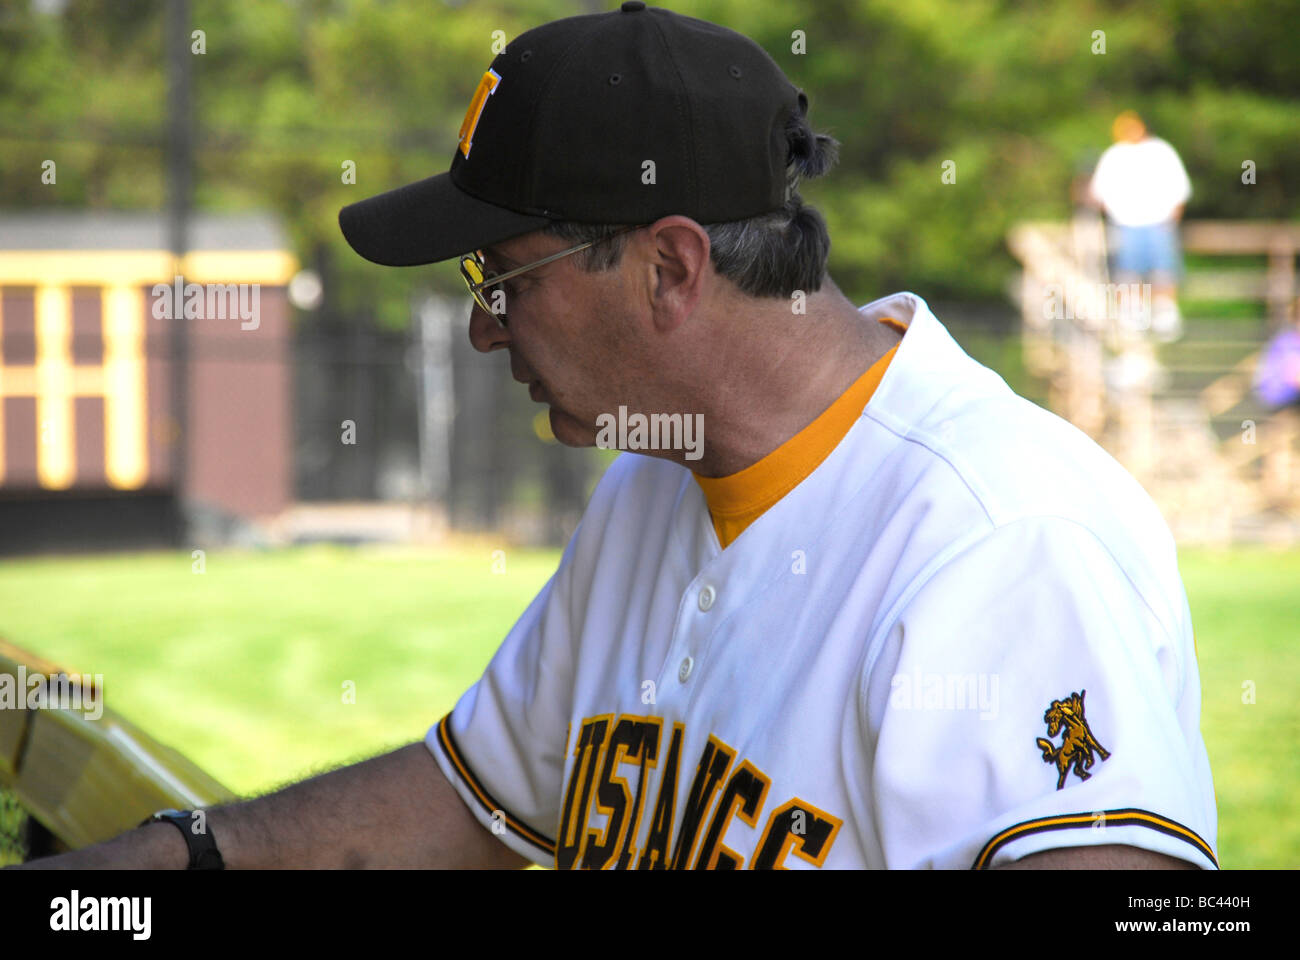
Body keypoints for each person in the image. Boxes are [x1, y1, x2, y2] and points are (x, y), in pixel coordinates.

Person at [13, 3, 1216, 870]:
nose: (486, 330)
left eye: (501, 276)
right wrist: (184, 860)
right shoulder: (658, 476)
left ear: (670, 267)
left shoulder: (1004, 535)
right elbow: (468, 804)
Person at [1088, 110, 1193, 342]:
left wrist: (1172, 216)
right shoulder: (1114, 155)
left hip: (1159, 222)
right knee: (1127, 272)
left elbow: (1179, 188)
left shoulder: (1161, 151)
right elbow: (1098, 192)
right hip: (1126, 224)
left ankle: (1165, 316)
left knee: (1163, 270)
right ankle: (1131, 316)